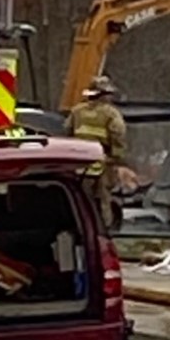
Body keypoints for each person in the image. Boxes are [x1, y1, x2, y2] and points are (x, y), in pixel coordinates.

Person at [67, 75, 128, 229]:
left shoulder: (76, 111)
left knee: (80, 200)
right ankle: (104, 230)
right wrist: (117, 156)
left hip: (79, 165)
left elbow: (67, 132)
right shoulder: (111, 114)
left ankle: (81, 228)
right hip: (102, 163)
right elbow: (118, 134)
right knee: (103, 200)